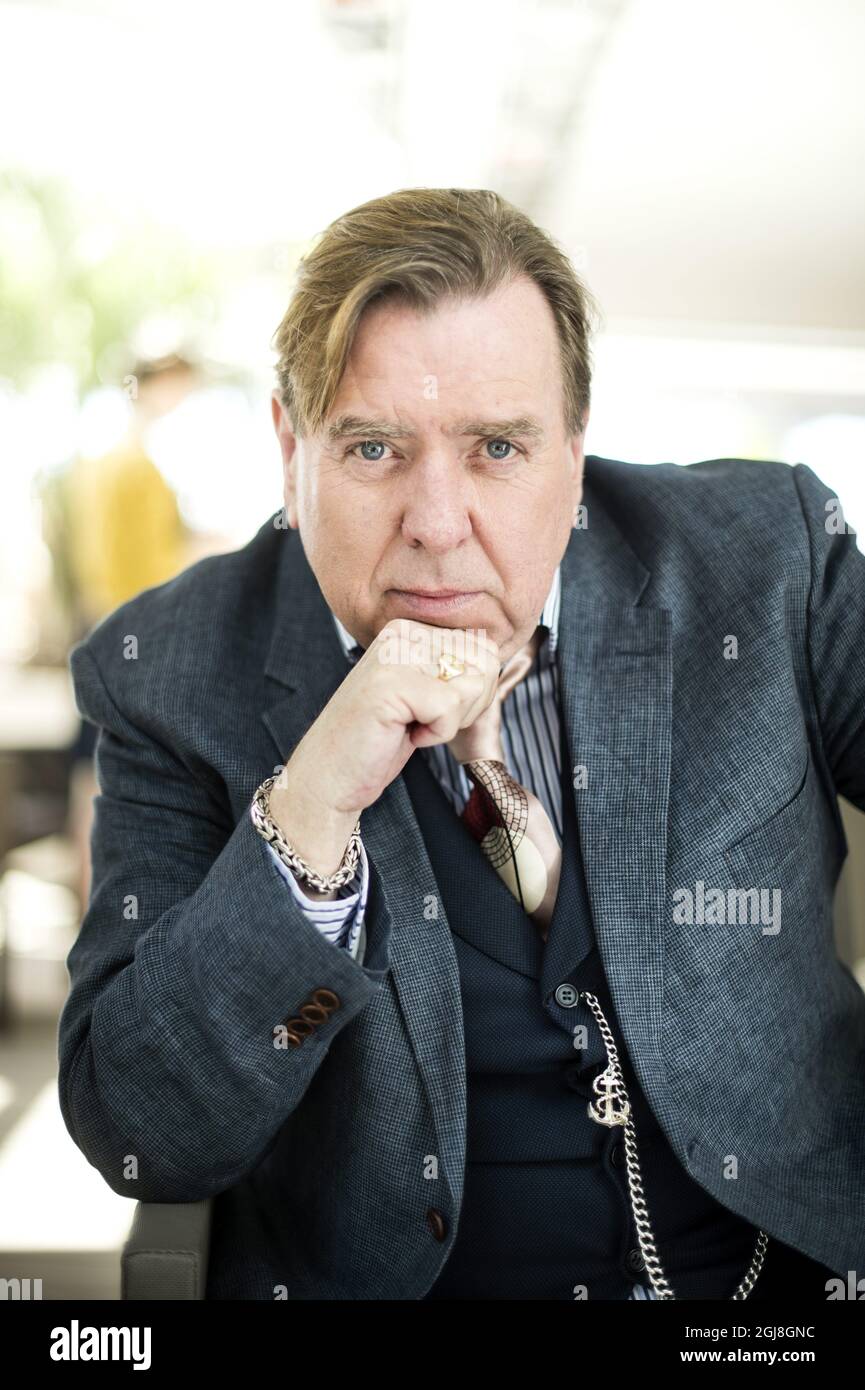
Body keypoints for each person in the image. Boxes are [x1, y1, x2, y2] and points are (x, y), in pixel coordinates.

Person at [58, 188, 865, 1301]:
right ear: (291, 446)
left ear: (575, 451)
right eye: (376, 448)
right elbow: (143, 1129)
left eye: (497, 447)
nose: (437, 524)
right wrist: (308, 816)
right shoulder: (167, 672)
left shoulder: (768, 560)